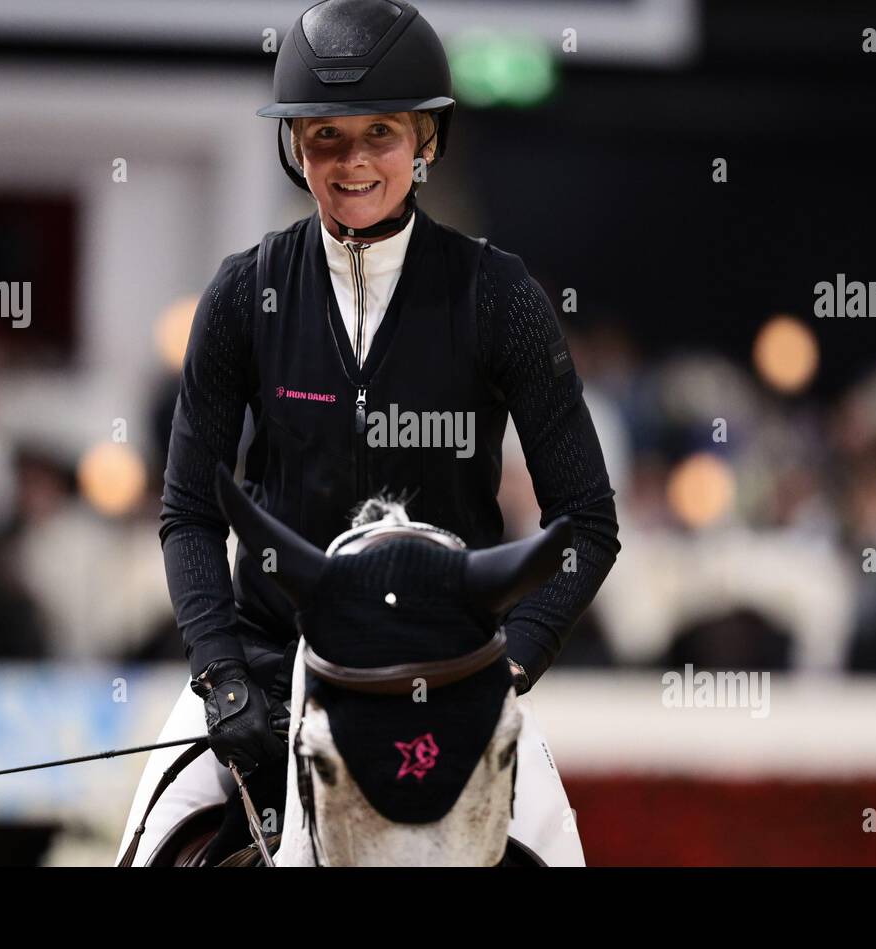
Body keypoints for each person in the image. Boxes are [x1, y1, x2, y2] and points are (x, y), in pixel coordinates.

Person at [117, 0, 620, 866]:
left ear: (425, 140)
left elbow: (588, 520)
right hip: (274, 666)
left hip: (451, 678)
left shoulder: (498, 298)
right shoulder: (244, 295)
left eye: (379, 133)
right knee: (148, 841)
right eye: (325, 138)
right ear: (294, 148)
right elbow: (190, 514)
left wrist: (506, 669)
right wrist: (222, 675)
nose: (353, 163)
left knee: (559, 852)